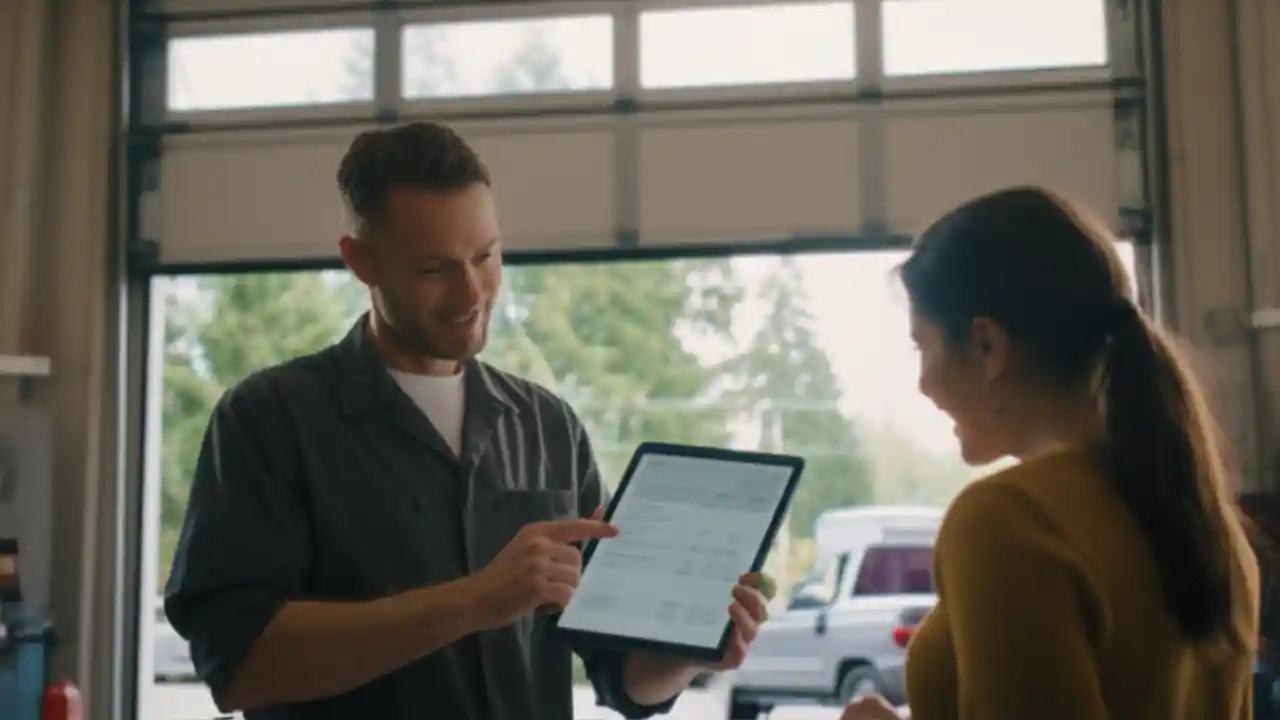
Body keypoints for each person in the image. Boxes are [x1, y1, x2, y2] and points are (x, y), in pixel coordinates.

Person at [164, 122, 770, 720]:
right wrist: (477, 599)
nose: (471, 293)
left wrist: (686, 656)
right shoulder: (268, 421)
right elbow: (239, 665)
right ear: (361, 261)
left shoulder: (548, 427)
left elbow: (619, 676)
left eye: (486, 256)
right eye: (434, 269)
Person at [843, 187, 1259, 720]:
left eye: (922, 346)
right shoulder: (1204, 523)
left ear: (987, 346)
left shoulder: (1007, 519)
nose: (923, 383)